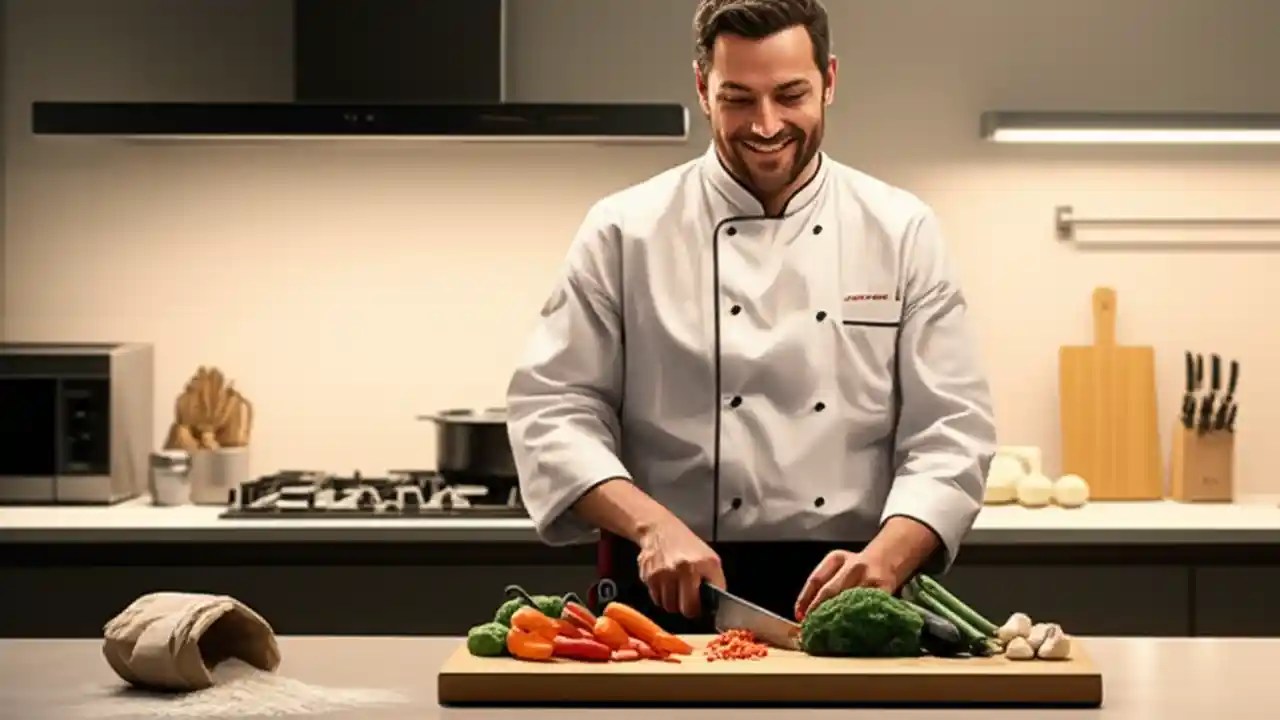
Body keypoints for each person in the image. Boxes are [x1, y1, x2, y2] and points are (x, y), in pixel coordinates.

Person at [504, 0, 997, 634]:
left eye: (791, 94)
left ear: (831, 81)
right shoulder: (626, 229)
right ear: (702, 89)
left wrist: (887, 559)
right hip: (671, 586)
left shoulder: (900, 230)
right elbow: (552, 409)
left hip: (854, 583)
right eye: (738, 98)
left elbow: (952, 430)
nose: (766, 124)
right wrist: (650, 524)